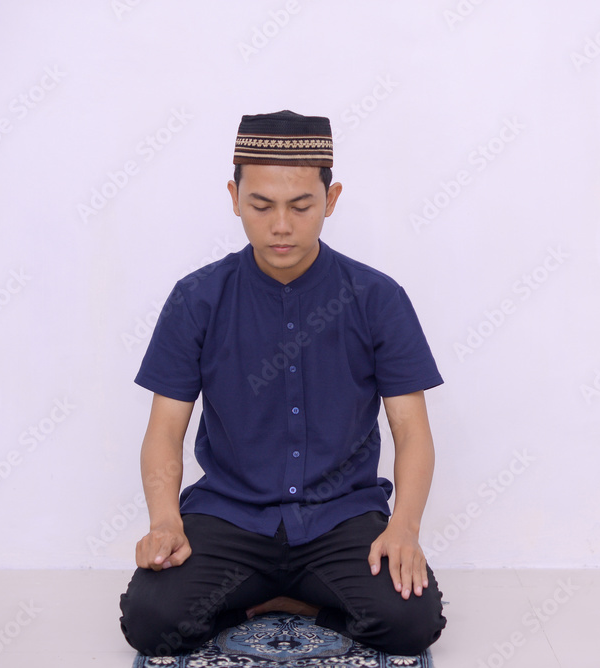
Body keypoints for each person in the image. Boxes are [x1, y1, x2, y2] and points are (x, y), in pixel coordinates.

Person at [118, 110, 447, 657]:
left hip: (341, 518)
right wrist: (165, 523)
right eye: (261, 205)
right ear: (234, 196)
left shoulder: (377, 297)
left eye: (301, 206)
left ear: (331, 198)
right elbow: (165, 429)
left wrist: (404, 529)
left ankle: (295, 602)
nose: (281, 226)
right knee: (153, 621)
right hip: (229, 516)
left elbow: (412, 431)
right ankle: (269, 597)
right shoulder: (197, 298)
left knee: (409, 620)